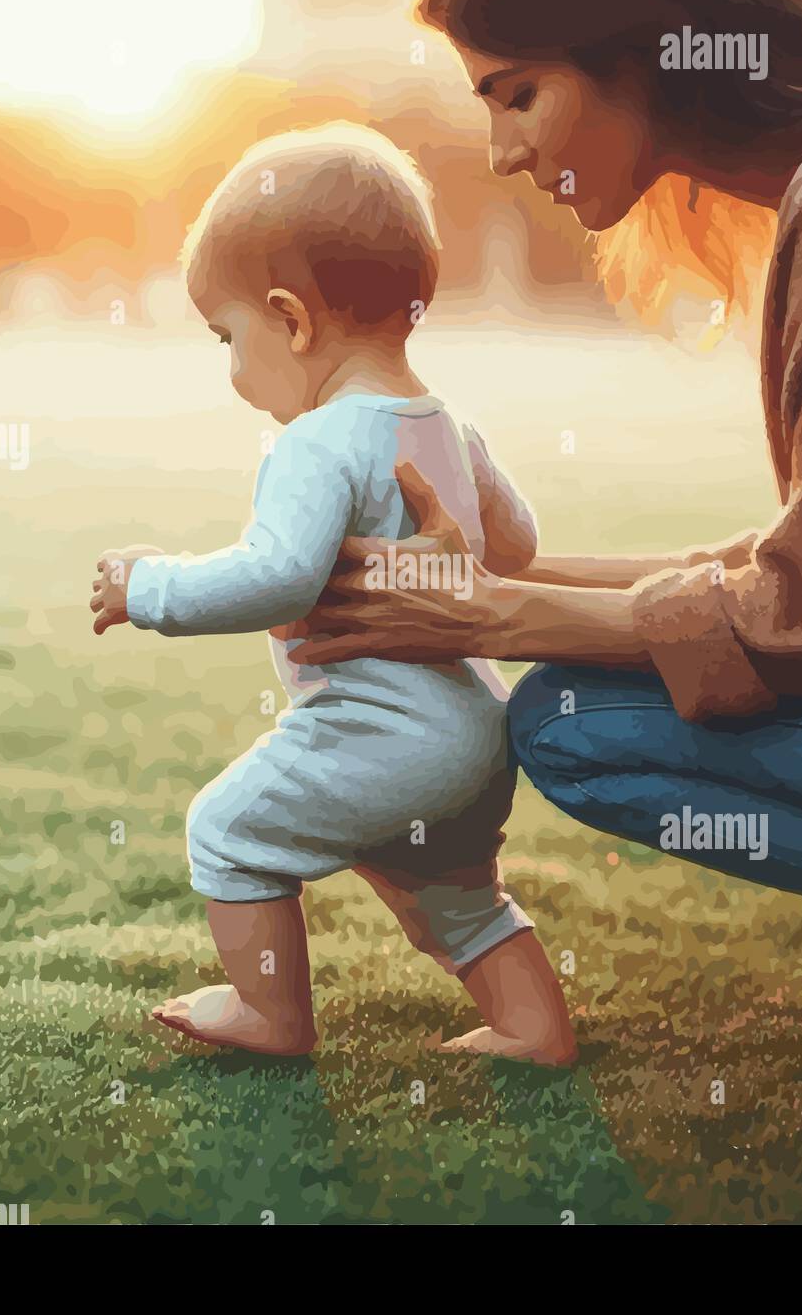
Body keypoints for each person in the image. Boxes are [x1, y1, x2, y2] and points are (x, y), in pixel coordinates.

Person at [291, 0, 802, 1091]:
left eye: (519, 95)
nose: (502, 150)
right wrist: (501, 591)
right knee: (583, 692)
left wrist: (494, 620)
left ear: (643, 48)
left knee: (570, 724)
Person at [88, 124, 575, 1065]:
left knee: (227, 833)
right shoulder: (446, 426)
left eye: (229, 337)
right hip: (474, 732)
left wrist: (150, 586)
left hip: (379, 734)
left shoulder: (315, 442)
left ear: (292, 320)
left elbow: (277, 574)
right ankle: (533, 1027)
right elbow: (516, 544)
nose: (233, 368)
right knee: (456, 902)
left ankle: (270, 1014)